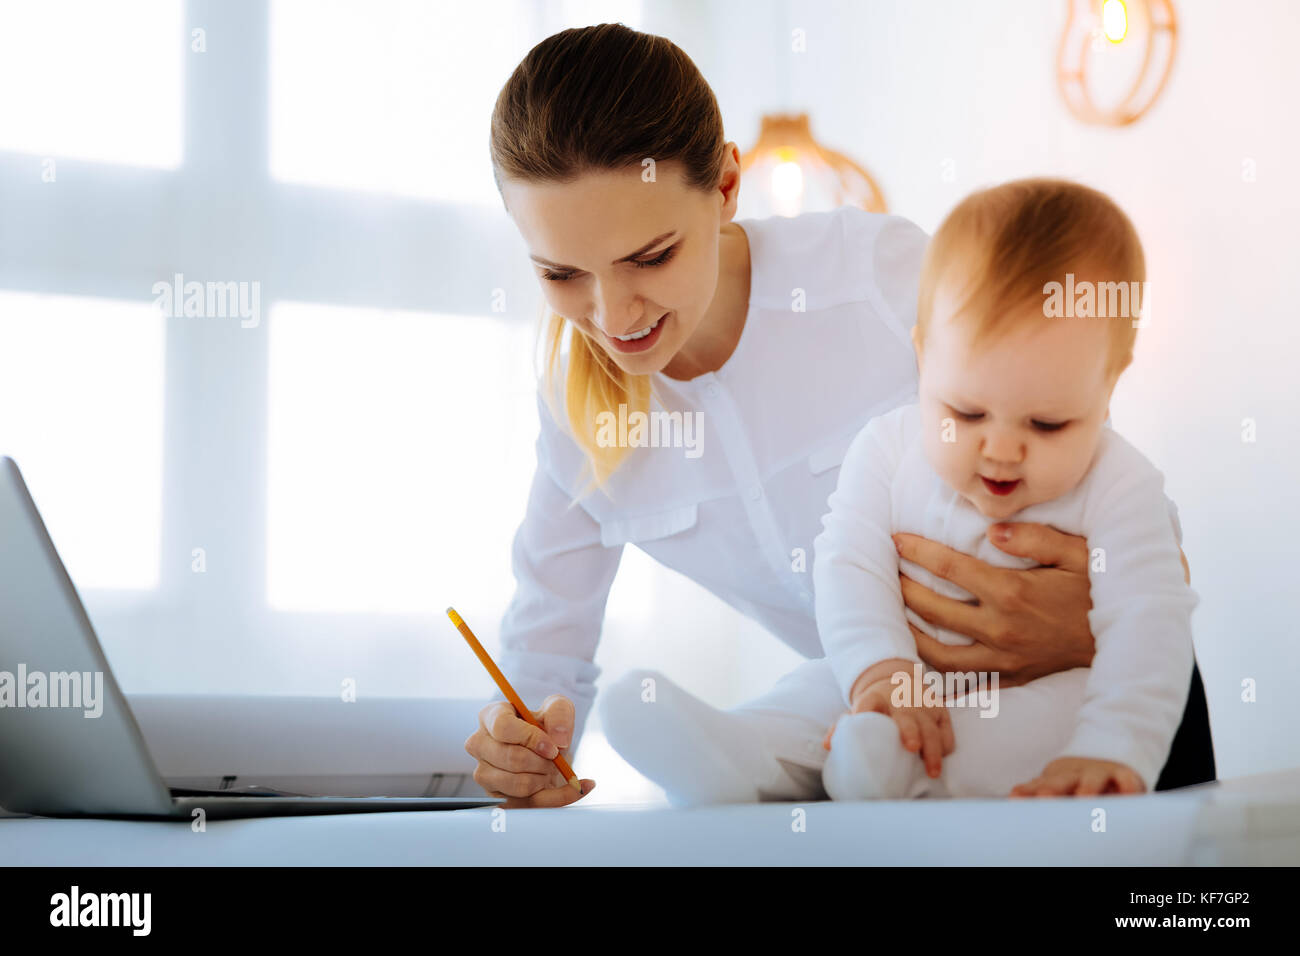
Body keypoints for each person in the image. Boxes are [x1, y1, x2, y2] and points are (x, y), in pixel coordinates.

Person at [466, 22, 1214, 808]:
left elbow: (1140, 531)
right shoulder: (575, 422)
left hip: (1109, 697)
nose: (614, 314)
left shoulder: (877, 278)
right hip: (879, 709)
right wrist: (519, 746)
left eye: (651, 258)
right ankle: (758, 757)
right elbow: (541, 663)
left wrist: (1082, 629)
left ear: (725, 188)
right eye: (561, 274)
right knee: (813, 714)